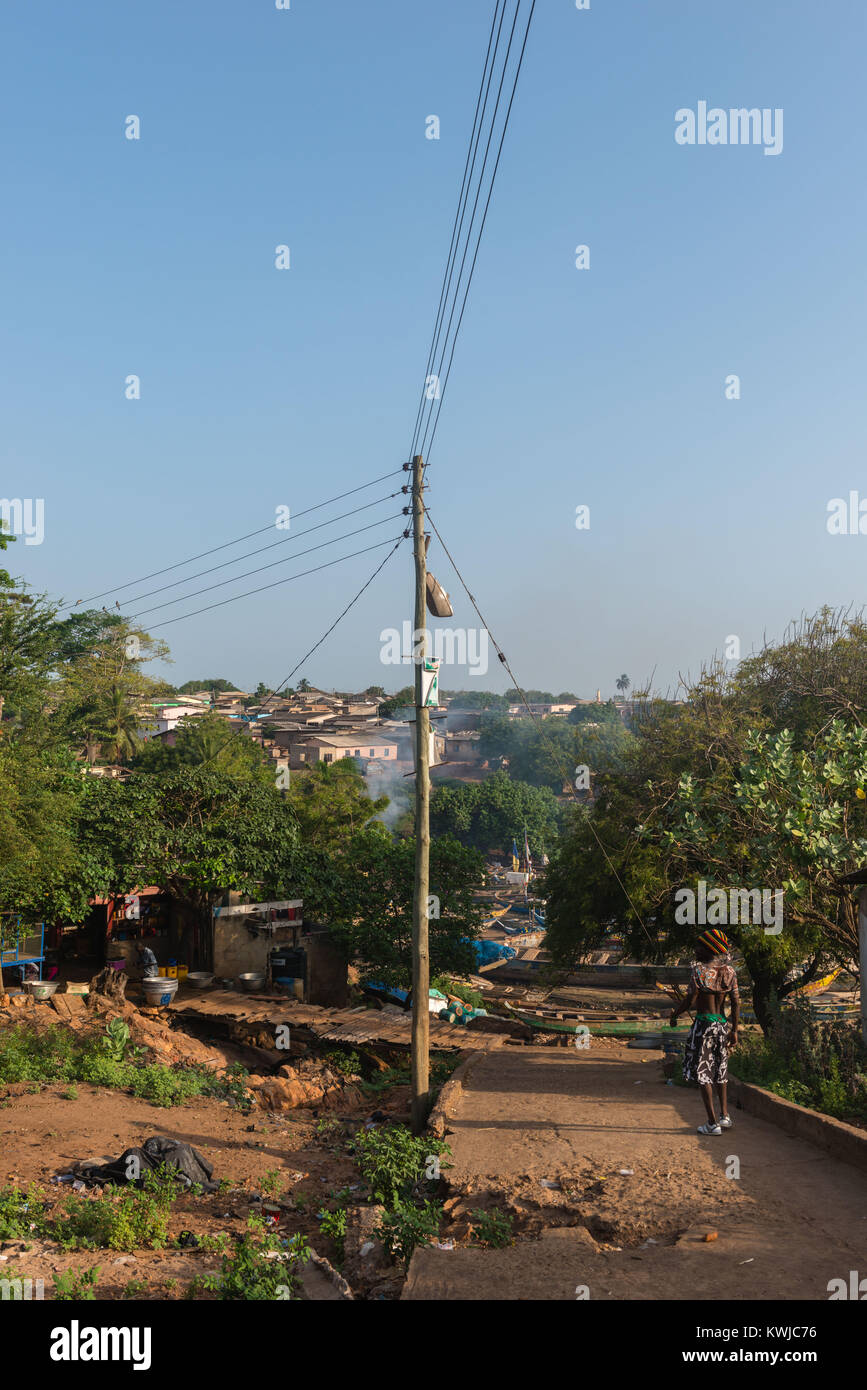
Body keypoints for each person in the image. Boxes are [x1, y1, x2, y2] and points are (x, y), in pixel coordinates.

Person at [669, 927, 739, 1136]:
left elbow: (690, 1000)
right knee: (720, 1070)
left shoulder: (699, 971)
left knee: (704, 1074)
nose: (695, 950)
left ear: (708, 949)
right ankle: (724, 1116)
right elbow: (736, 1003)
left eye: (699, 946)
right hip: (721, 1026)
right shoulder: (730, 972)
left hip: (703, 1026)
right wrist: (734, 1030)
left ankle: (711, 1123)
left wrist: (674, 1014)